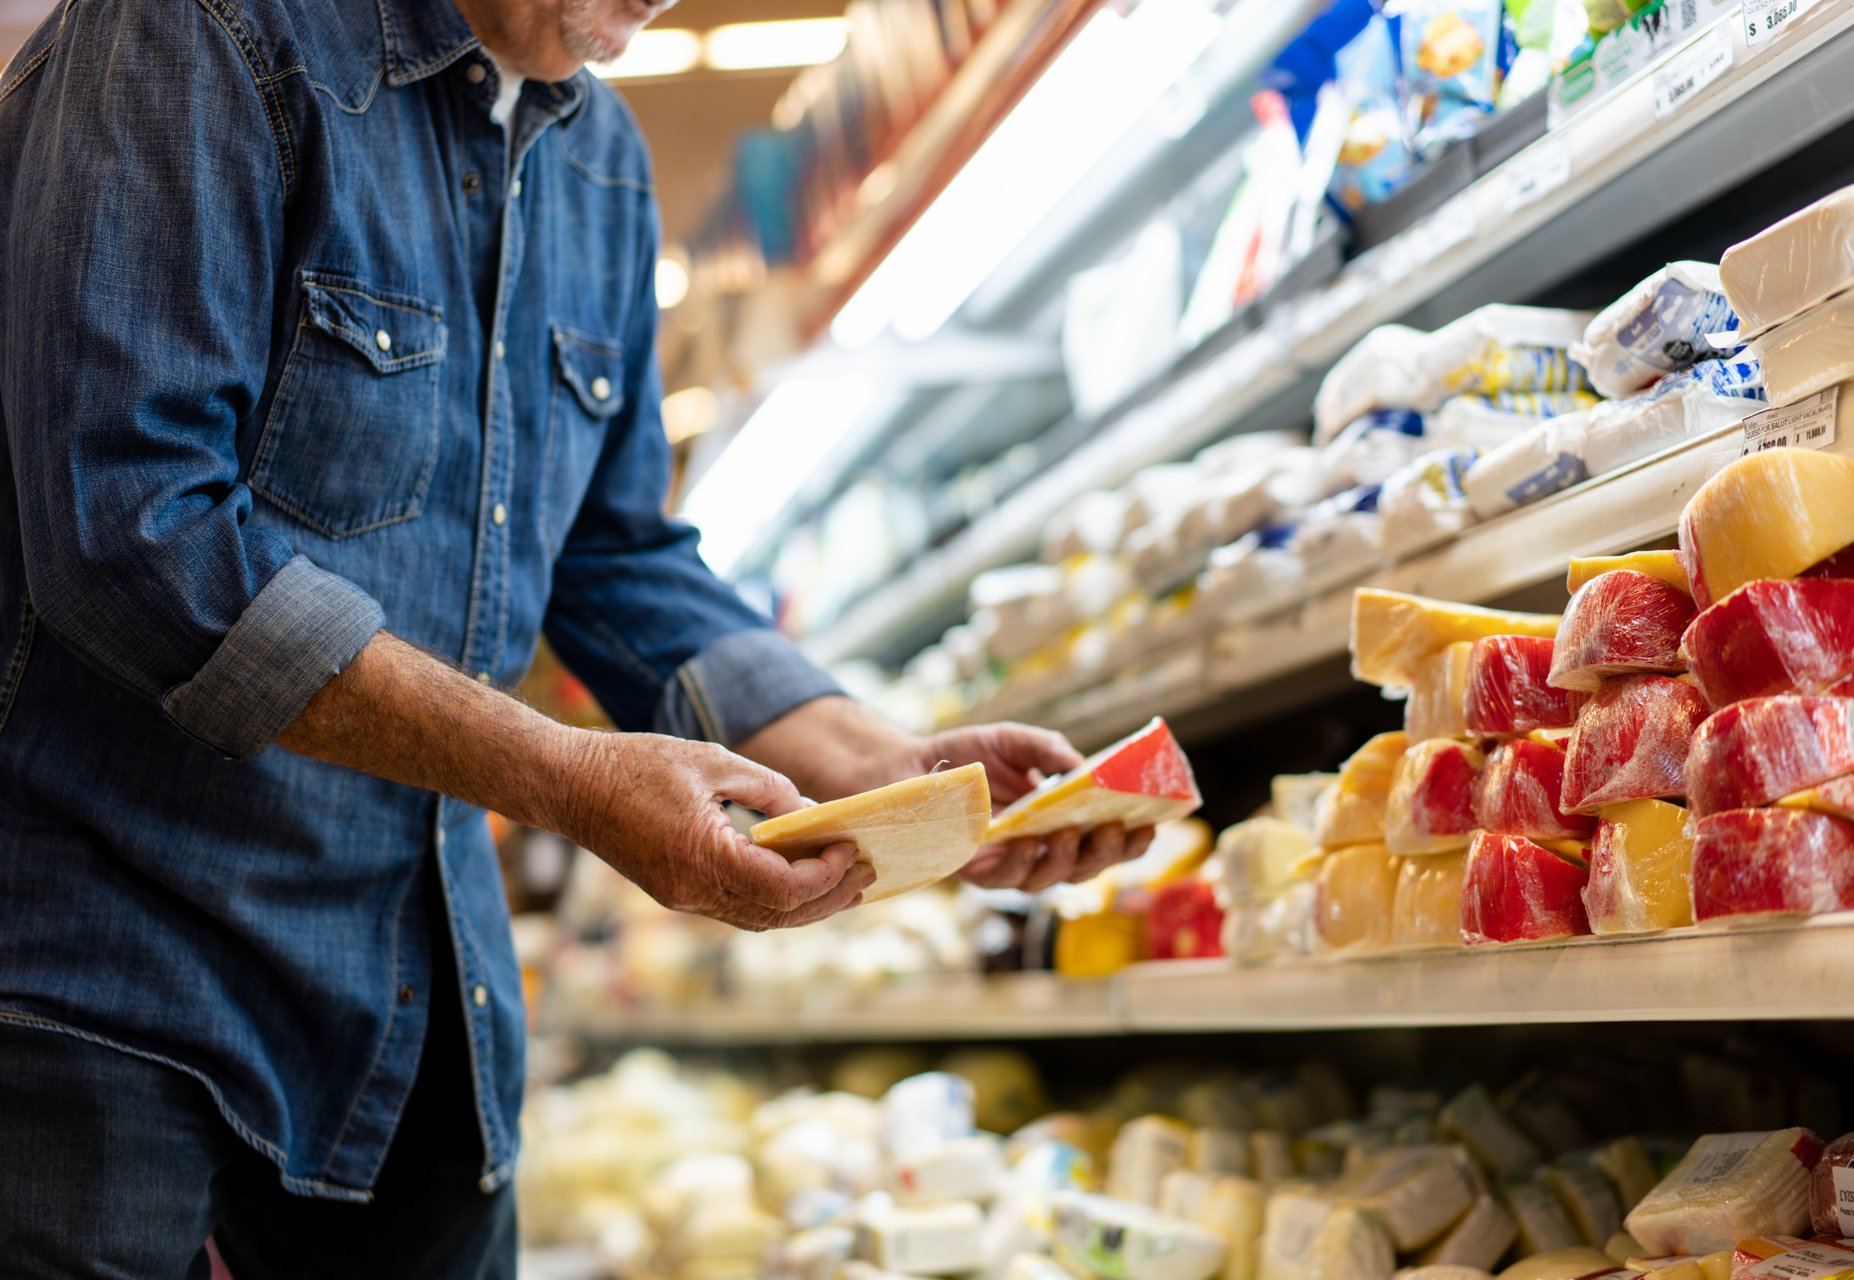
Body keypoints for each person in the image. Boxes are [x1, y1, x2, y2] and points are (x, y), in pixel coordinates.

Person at [0, 0, 1159, 1271]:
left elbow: (613, 553)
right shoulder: (203, 36)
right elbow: (136, 533)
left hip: (410, 1002)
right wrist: (570, 778)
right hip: (109, 980)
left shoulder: (598, 158)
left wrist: (886, 769)